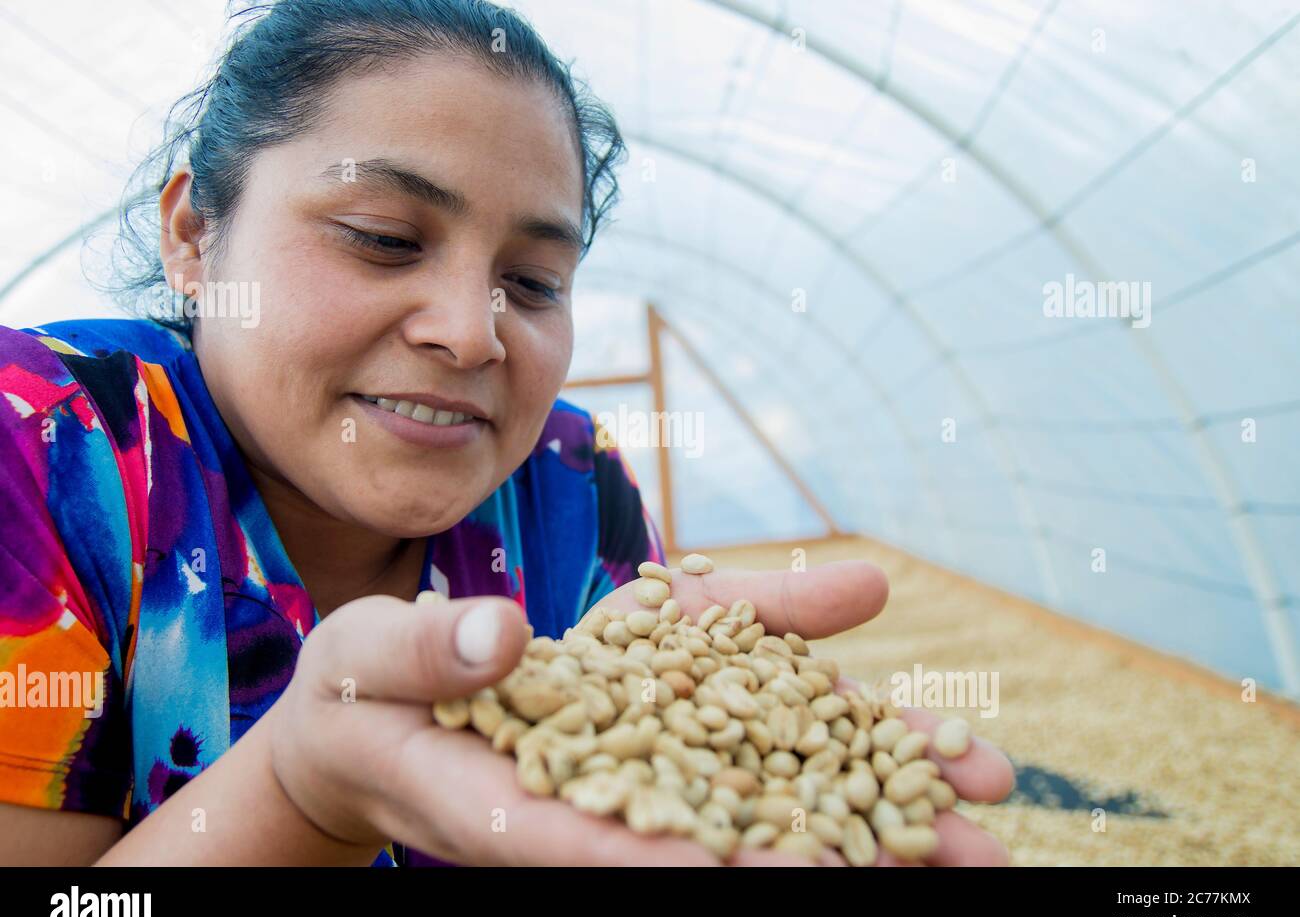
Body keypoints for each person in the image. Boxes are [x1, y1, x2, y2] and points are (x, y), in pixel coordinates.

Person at [0, 0, 1011, 866]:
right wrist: (306, 793)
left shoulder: (570, 485)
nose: (471, 331)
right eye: (385, 240)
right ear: (194, 233)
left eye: (532, 283)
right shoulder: (43, 446)